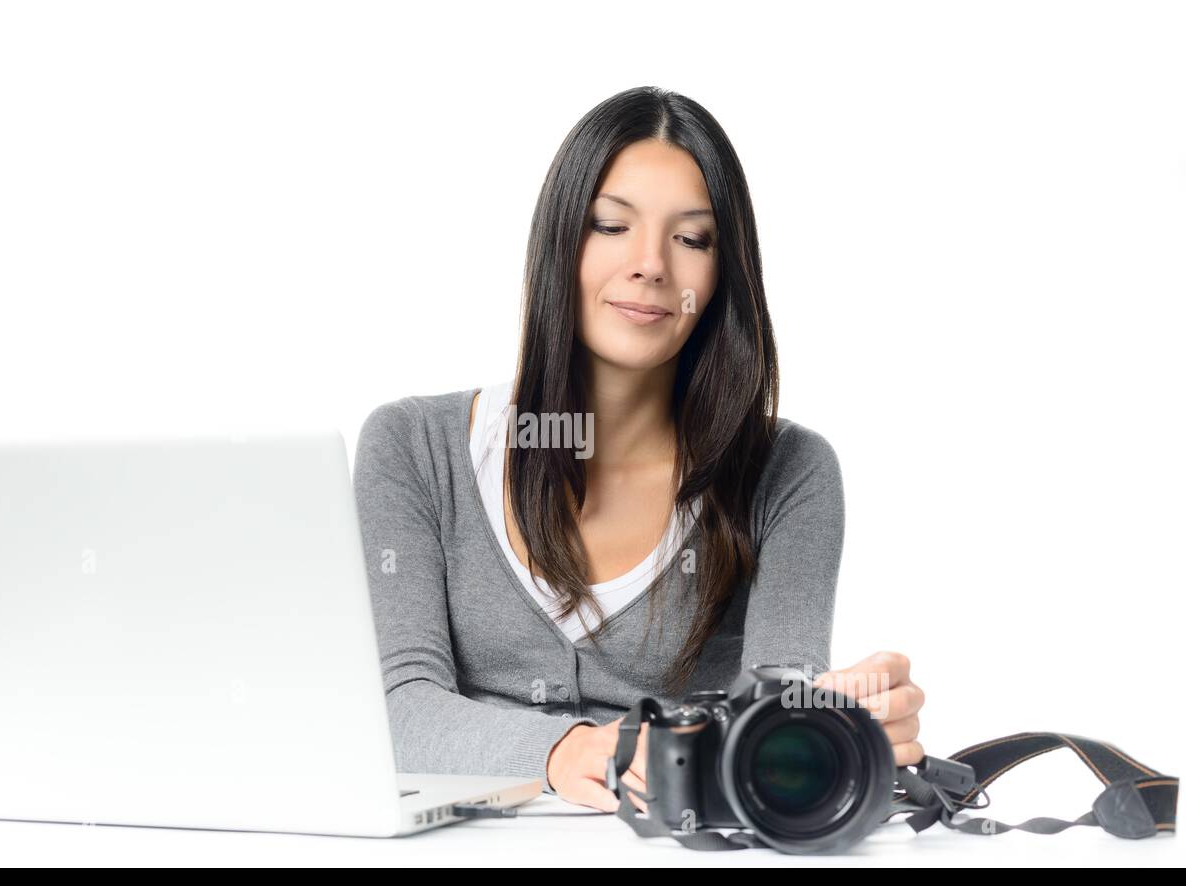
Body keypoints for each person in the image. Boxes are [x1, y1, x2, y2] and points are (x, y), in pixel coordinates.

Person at [354, 86, 924, 812]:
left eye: (692, 238)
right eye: (611, 225)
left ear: (723, 274)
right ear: (561, 239)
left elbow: (767, 729)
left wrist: (834, 720)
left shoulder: (790, 474)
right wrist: (563, 752)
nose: (651, 264)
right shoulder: (412, 448)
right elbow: (397, 711)